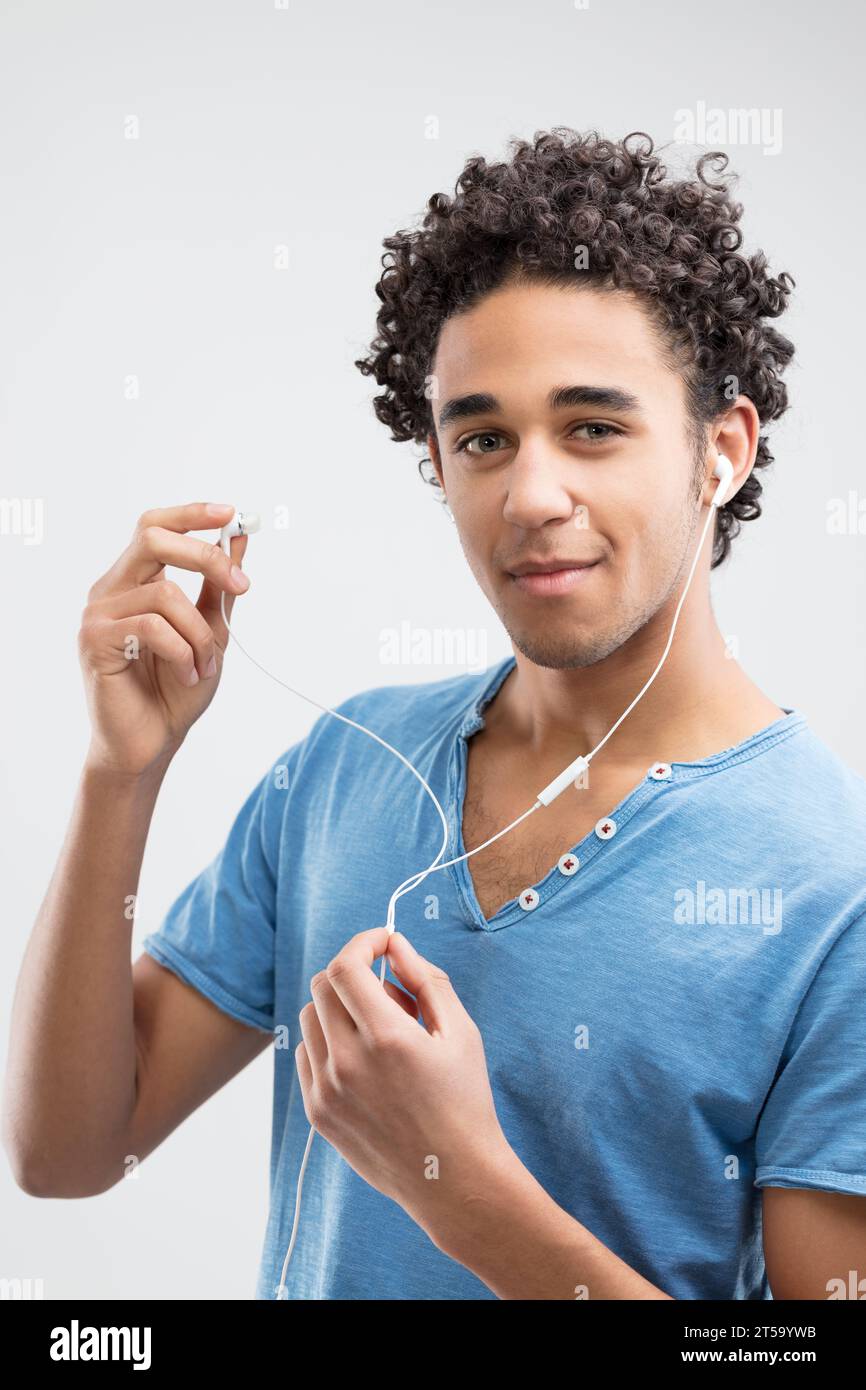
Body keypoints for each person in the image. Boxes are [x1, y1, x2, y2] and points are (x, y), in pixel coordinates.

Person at [5, 128, 866, 1301]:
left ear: (719, 451)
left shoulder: (833, 886)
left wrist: (451, 1178)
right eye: (481, 438)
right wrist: (121, 770)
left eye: (593, 428)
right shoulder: (341, 771)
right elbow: (64, 1154)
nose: (529, 494)